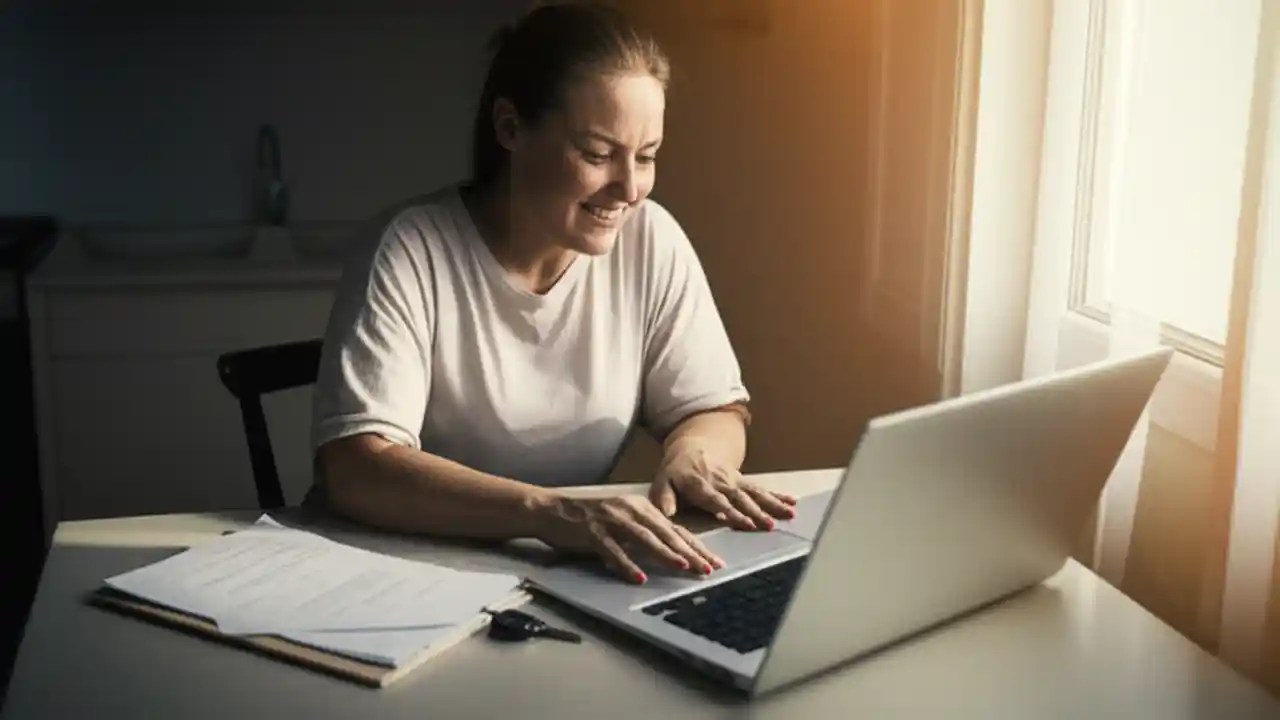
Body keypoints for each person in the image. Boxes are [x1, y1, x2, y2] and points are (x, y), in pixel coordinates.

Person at [311, 3, 795, 584]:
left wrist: (696, 455)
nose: (629, 188)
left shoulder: (651, 240)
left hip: (561, 568)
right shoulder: (412, 249)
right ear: (511, 128)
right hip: (402, 570)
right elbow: (358, 467)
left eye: (646, 157)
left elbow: (713, 409)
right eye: (597, 154)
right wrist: (546, 512)